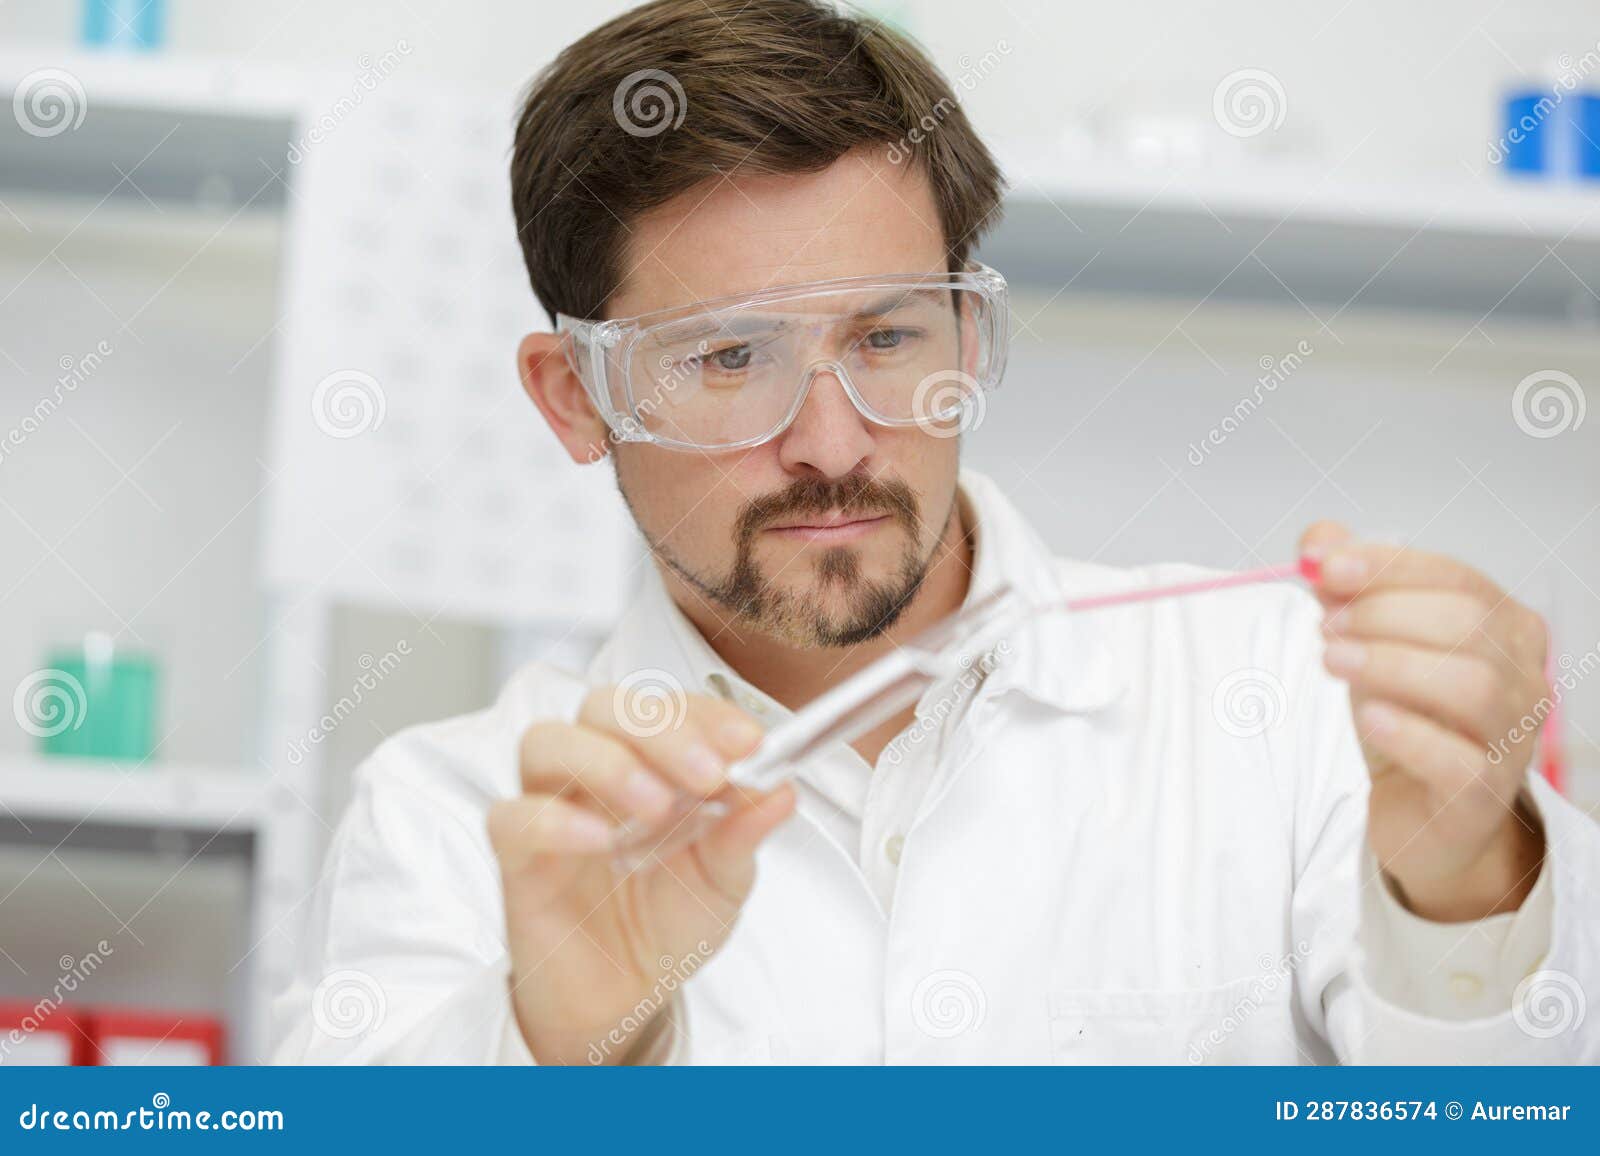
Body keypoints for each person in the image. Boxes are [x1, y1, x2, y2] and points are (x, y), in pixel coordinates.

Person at [271, 0, 1597, 1064]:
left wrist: (1468, 891)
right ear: (576, 397)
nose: (833, 443)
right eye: (730, 357)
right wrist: (567, 1051)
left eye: (887, 337)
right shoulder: (455, 818)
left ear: (966, 331)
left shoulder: (1287, 700)